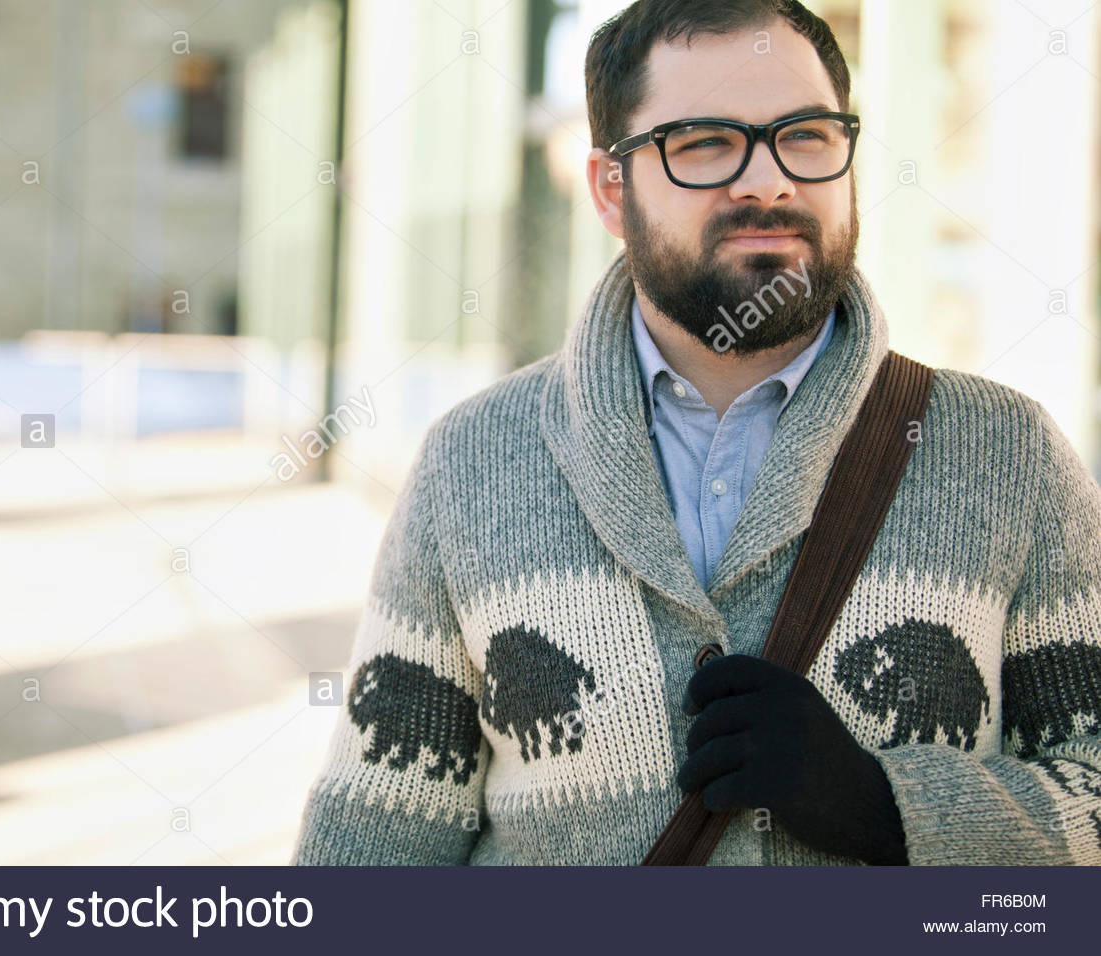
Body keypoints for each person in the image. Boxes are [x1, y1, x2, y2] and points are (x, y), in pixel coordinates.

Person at [291, 0, 1101, 865]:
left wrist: (885, 808)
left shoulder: (1007, 454)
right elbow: (374, 839)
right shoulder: (475, 461)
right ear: (611, 189)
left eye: (807, 135)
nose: (768, 181)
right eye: (706, 143)